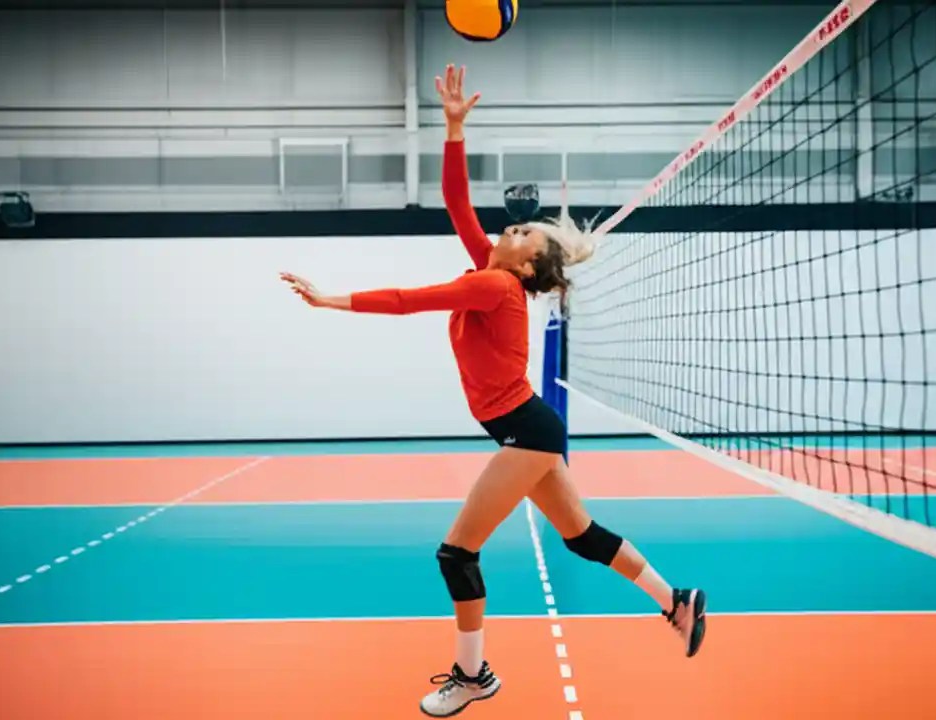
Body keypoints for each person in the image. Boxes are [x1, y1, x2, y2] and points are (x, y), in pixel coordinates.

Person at [280, 64, 706, 718]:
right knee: (582, 537)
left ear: (528, 264)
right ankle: (676, 601)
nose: (513, 230)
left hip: (524, 431)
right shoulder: (492, 269)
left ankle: (472, 675)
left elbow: (410, 300)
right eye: (518, 228)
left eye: (524, 235)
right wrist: (454, 129)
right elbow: (457, 204)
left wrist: (331, 299)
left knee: (456, 553)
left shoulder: (494, 284)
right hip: (530, 426)